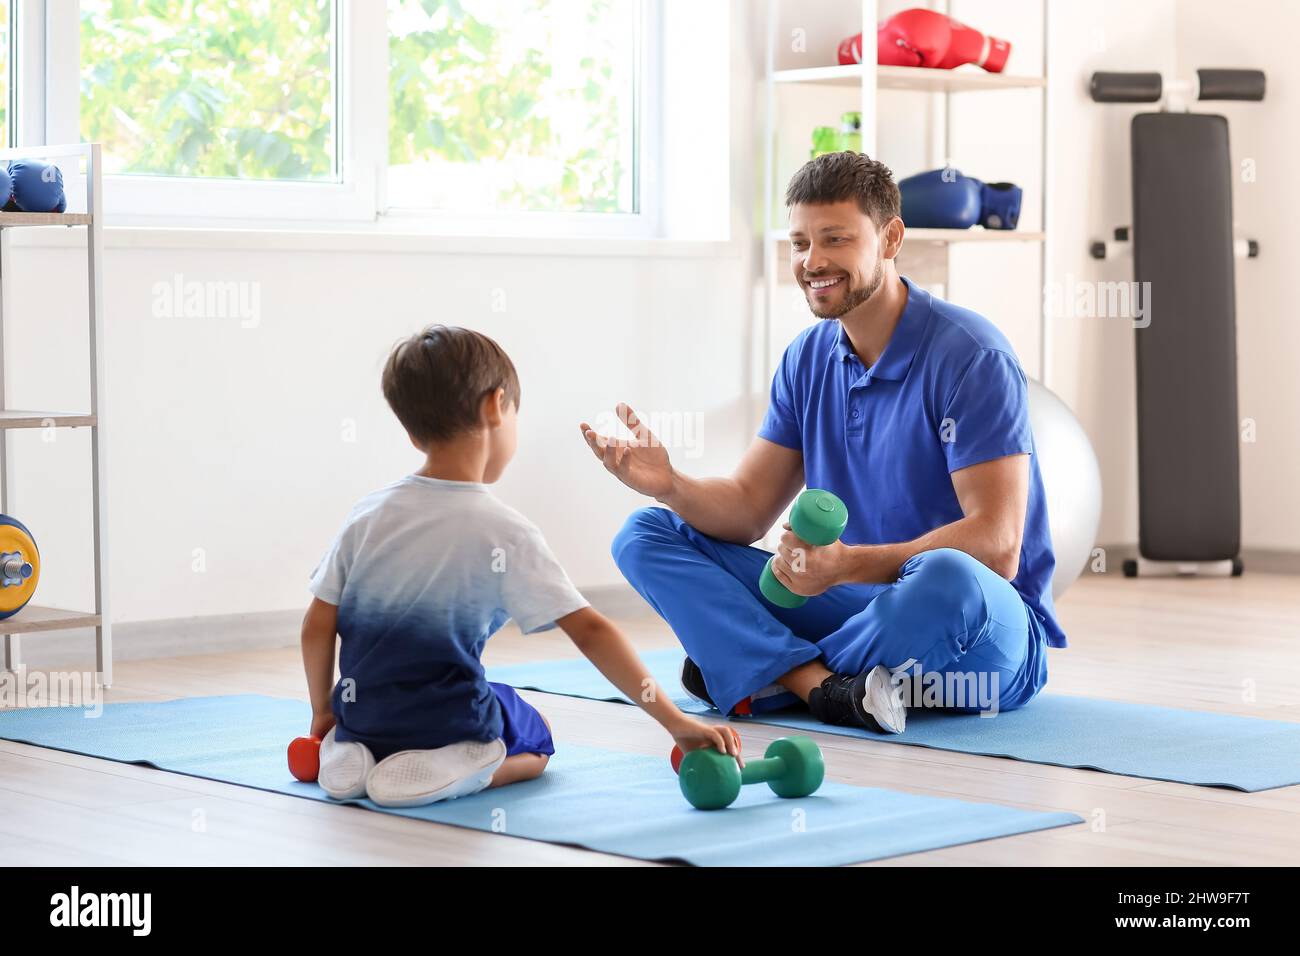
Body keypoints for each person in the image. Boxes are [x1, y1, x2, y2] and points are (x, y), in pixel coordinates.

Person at [581, 151, 1066, 735]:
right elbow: (746, 507)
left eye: (835, 239)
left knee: (946, 576)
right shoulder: (807, 358)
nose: (813, 262)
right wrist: (672, 486)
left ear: (890, 239)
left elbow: (996, 545)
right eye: (799, 243)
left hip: (979, 632)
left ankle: (767, 675)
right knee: (645, 532)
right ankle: (826, 689)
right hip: (861, 607)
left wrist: (840, 568)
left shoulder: (970, 357)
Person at [301, 325, 737, 808]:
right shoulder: (502, 532)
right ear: (495, 406)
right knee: (539, 735)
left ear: (410, 430)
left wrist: (323, 711)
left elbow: (317, 625)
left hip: (359, 713)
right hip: (444, 722)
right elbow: (591, 632)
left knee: (427, 701)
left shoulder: (366, 515)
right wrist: (677, 721)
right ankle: (457, 767)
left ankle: (349, 753)